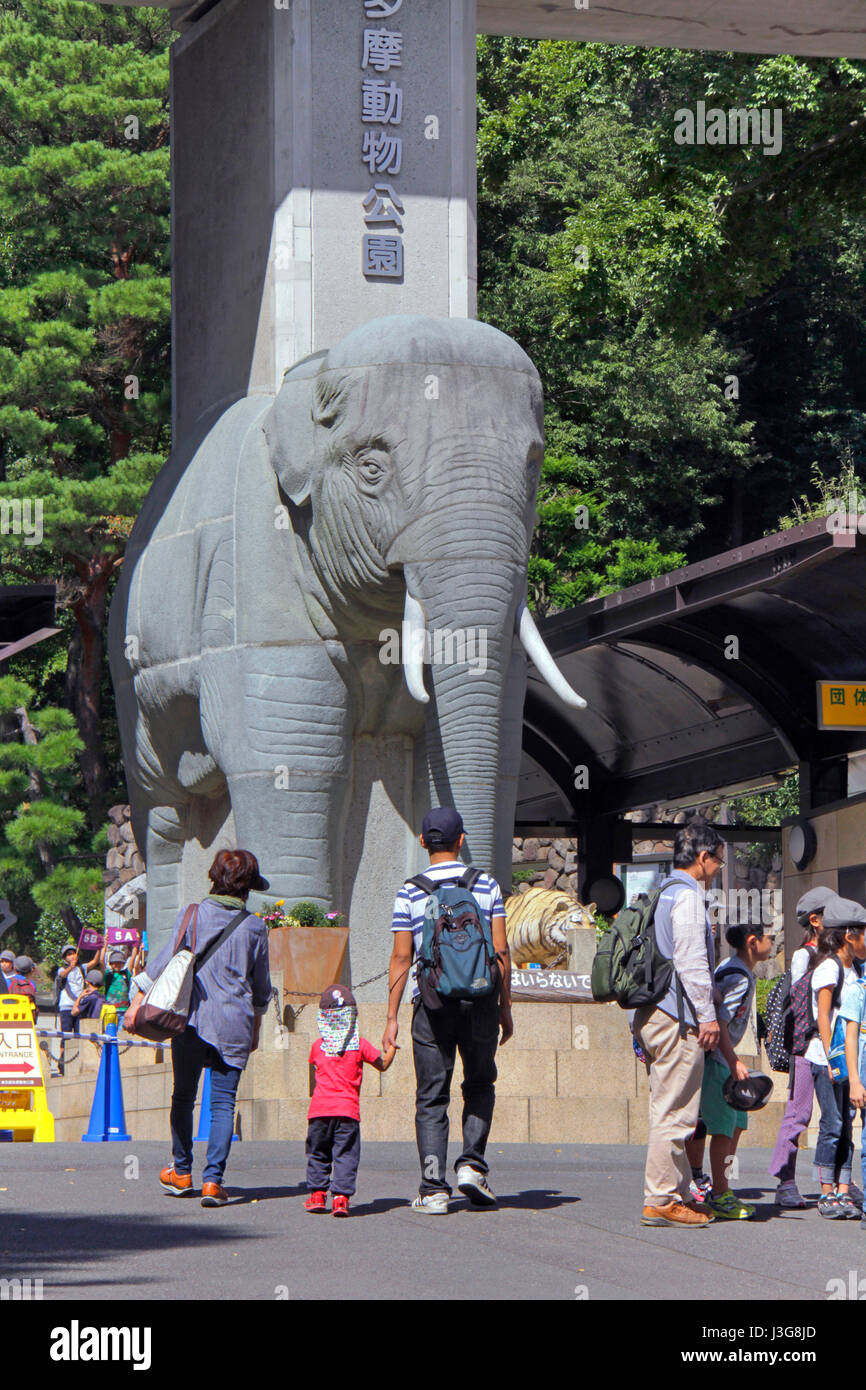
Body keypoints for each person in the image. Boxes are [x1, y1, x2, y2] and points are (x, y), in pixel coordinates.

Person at [384, 806, 511, 1214]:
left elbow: (402, 957)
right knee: (479, 1084)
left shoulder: (410, 890)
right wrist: (505, 1007)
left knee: (431, 1096)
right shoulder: (486, 885)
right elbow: (502, 951)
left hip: (432, 1005)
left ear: (423, 842)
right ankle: (472, 1166)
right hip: (480, 1002)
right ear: (461, 841)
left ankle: (433, 1187)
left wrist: (391, 1018)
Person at [132, 848, 272, 1208]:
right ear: (246, 888)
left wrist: (137, 1001)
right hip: (235, 1023)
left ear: (214, 878)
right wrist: (256, 1025)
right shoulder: (256, 927)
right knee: (223, 1104)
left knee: (183, 1095)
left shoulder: (192, 914)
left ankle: (181, 1171)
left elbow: (165, 962)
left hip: (190, 1019)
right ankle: (213, 1182)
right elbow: (261, 986)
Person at [633, 818, 723, 1228]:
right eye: (717, 861)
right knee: (675, 1113)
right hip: (677, 1018)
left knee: (667, 1107)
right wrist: (708, 1016)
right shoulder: (687, 898)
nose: (718, 868)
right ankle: (661, 1200)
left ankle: (680, 1192)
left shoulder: (660, 893)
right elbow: (691, 962)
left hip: (652, 1014)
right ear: (703, 857)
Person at [768, 886, 837, 1208]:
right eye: (832, 914)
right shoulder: (804, 955)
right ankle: (786, 1181)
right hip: (806, 1047)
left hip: (837, 1045)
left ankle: (838, 1184)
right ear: (816, 920)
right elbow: (797, 1004)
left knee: (835, 1118)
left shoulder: (841, 953)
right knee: (799, 1113)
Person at [305, 984, 396, 1216]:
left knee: (318, 1152)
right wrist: (392, 1047)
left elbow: (314, 1066)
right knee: (345, 1154)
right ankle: (341, 1199)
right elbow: (383, 1064)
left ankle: (317, 1195)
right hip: (347, 1112)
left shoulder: (318, 1047)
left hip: (318, 1112)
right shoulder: (360, 1046)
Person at [702, 922, 773, 1219]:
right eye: (770, 938)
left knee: (737, 1123)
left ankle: (723, 1186)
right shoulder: (739, 977)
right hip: (720, 1061)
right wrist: (733, 1062)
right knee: (722, 1130)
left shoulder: (731, 967)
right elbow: (720, 1020)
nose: (774, 942)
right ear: (753, 942)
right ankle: (719, 1193)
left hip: (723, 1059)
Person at [806, 897, 866, 1219]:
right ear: (848, 935)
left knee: (848, 1125)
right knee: (832, 1124)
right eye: (863, 933)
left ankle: (844, 1190)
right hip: (826, 1057)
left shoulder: (855, 968)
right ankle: (826, 1192)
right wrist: (832, 1059)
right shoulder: (828, 967)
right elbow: (824, 1018)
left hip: (850, 1061)